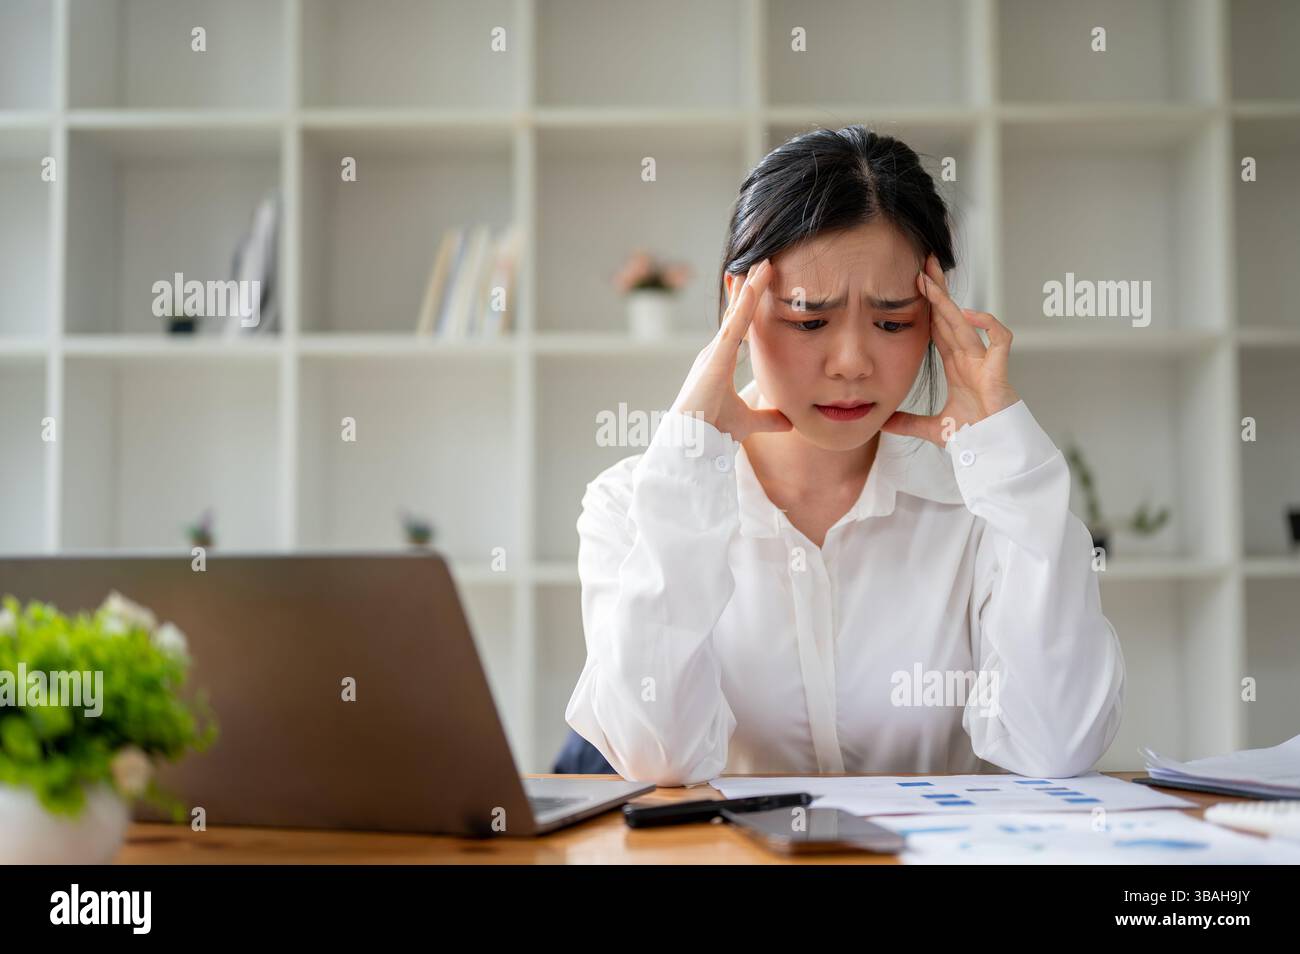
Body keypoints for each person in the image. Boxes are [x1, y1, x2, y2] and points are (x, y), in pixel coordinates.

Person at [564, 125, 1124, 786]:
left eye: (892, 321)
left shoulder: (983, 504)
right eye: (809, 321)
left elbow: (1059, 746)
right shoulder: (632, 506)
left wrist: (1008, 461)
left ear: (937, 313)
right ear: (737, 307)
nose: (854, 363)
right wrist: (691, 455)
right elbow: (658, 760)